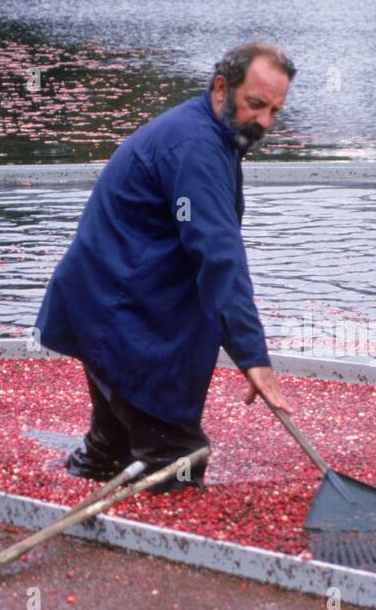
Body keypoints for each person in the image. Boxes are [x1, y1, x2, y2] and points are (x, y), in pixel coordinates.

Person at [34, 42, 296, 494]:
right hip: (119, 313)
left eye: (275, 110)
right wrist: (253, 356)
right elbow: (218, 255)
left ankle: (82, 504)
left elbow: (209, 251)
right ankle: (164, 549)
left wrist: (241, 344)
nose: (265, 122)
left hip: (112, 303)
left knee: (111, 446)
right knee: (178, 458)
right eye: (256, 104)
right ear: (221, 88)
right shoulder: (194, 147)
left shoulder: (213, 135)